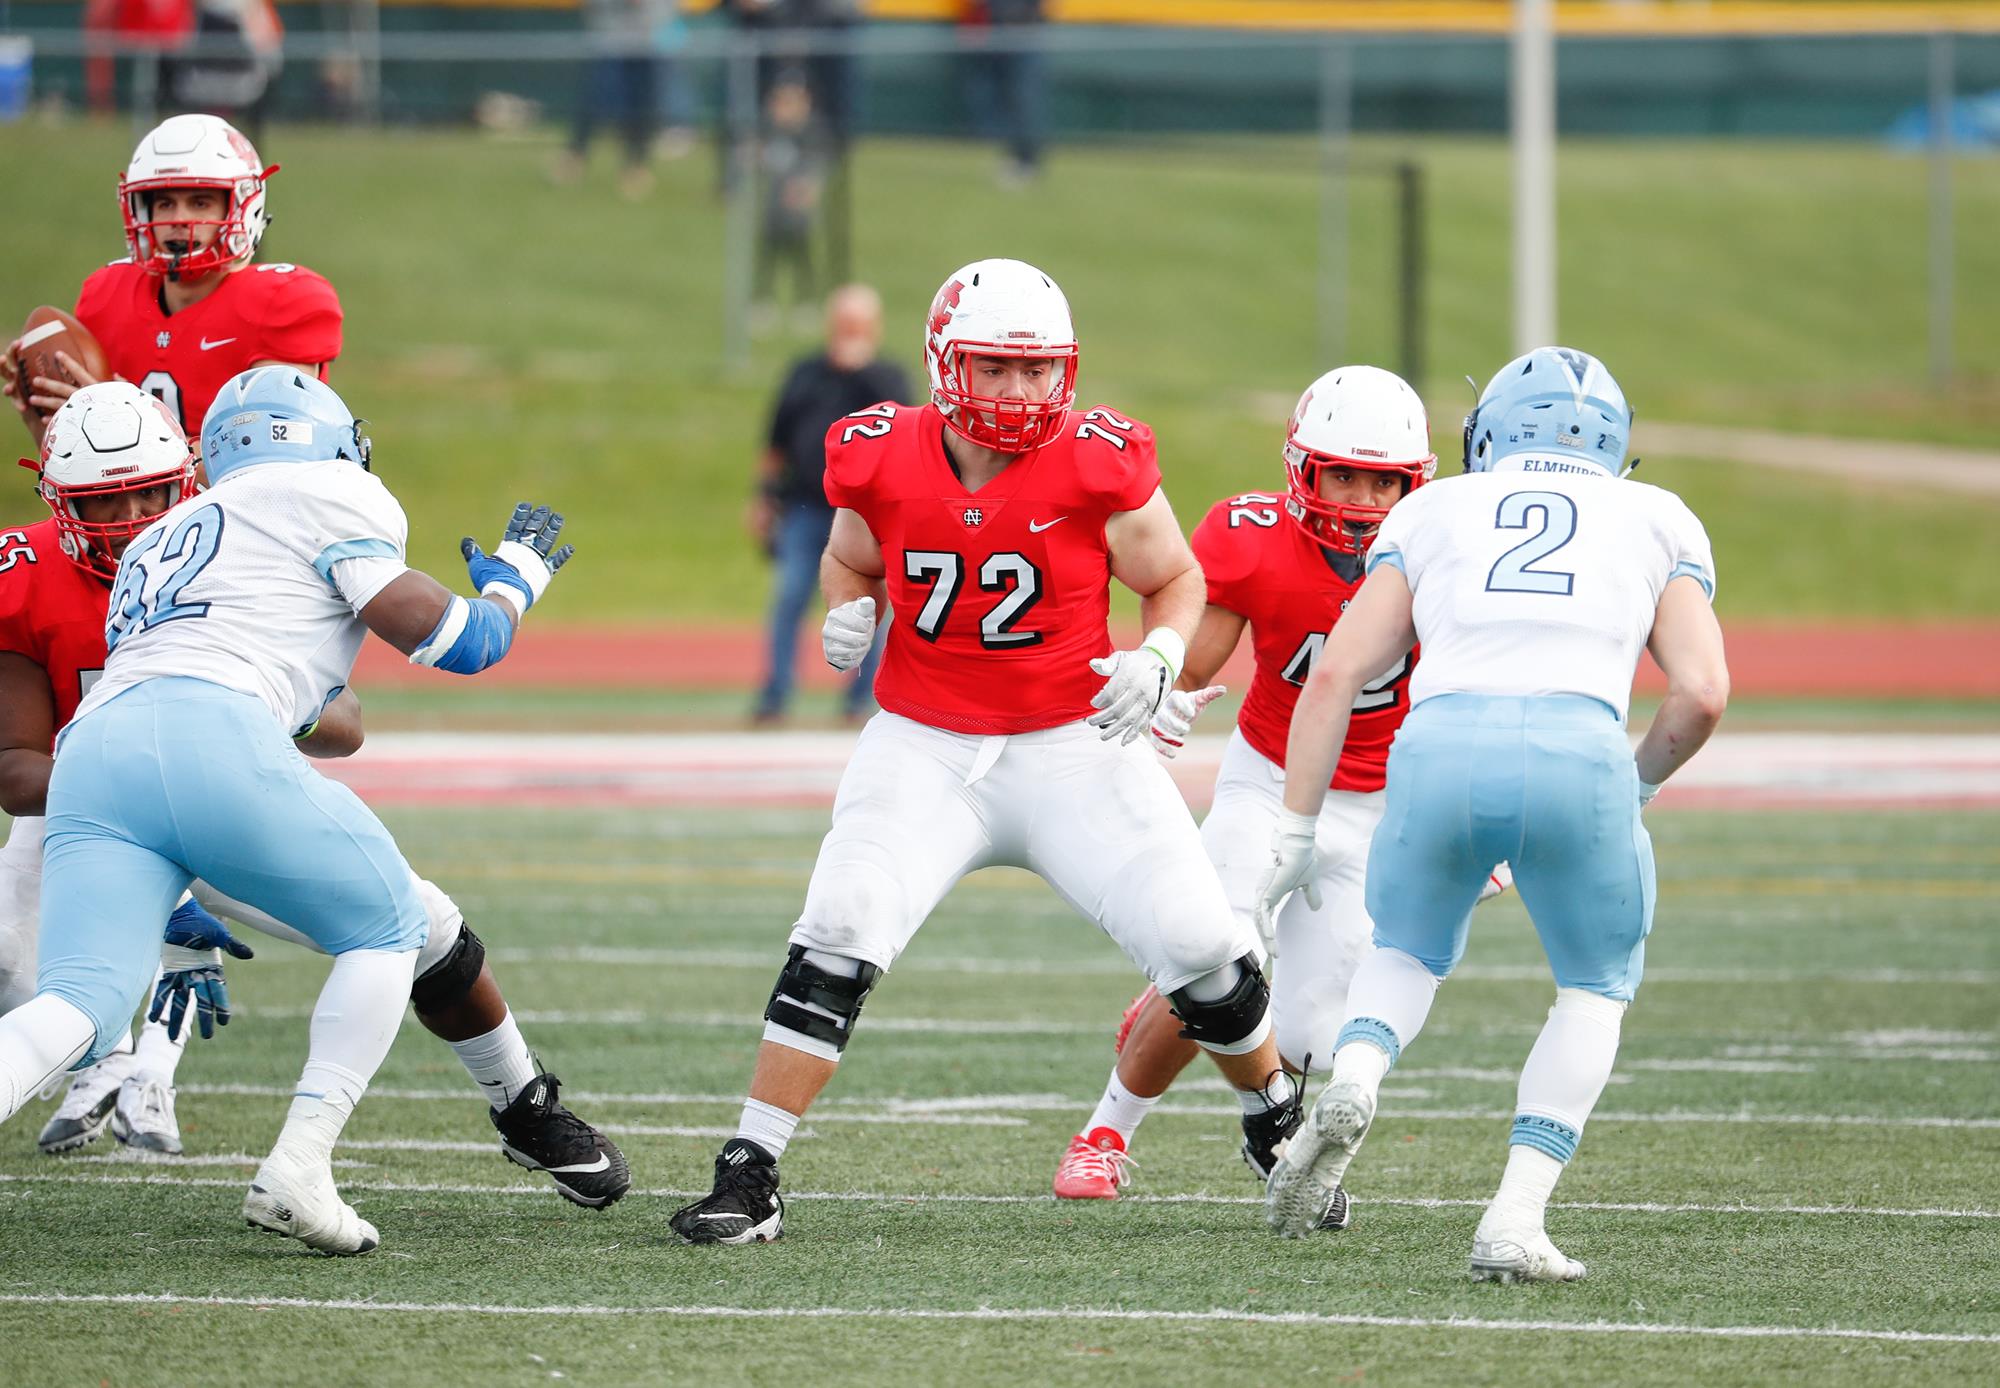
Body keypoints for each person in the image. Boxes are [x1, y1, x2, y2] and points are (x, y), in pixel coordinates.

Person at [1, 121, 624, 1201]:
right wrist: (517, 576)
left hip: (118, 769)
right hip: (175, 773)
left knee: (74, 994)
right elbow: (456, 643)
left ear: (189, 473)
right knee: (392, 920)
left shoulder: (166, 550)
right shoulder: (287, 501)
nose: (129, 517)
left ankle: (521, 1104)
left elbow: (322, 720)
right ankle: (297, 1161)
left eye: (145, 492)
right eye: (103, 503)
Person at [671, 258, 1298, 1245]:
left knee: (1195, 936)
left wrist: (1162, 653)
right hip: (924, 741)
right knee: (840, 918)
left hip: (1073, 743)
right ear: (942, 363)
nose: (1018, 391)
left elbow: (1173, 577)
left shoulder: (1100, 457)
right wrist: (848, 606)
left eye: (1036, 369)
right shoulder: (875, 448)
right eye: (994, 368)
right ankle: (750, 1170)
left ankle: (1273, 1112)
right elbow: (849, 552)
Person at [1257, 347, 1728, 1282]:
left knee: (1404, 949)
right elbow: (1703, 692)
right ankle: (1514, 1216)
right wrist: (1629, 788)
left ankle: (1353, 1082)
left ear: (1490, 432)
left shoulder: (1432, 507)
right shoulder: (1657, 516)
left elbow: (1339, 675)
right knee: (1595, 986)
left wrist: (1297, 831)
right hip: (1580, 749)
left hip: (1438, 747)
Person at [1053, 366, 1508, 1220]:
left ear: (1418, 483)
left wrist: (1482, 824)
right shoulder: (1254, 534)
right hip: (1269, 782)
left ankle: (1210, 1045)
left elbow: (1478, 696)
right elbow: (1194, 657)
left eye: (1384, 479)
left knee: (1312, 1037)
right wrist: (1171, 691)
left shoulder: (1451, 552)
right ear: (1303, 468)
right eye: (1345, 473)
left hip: (1382, 807)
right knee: (1214, 960)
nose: (1364, 498)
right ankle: (1105, 1134)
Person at [2, 113, 340, 451]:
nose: (179, 220)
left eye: (200, 202)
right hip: (138, 504)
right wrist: (49, 428)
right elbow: (90, 483)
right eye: (164, 203)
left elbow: (266, 457)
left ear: (242, 206)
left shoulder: (284, 300)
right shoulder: (106, 295)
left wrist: (127, 432)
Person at [749, 283, 908, 723]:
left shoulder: (887, 377)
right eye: (842, 323)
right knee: (790, 595)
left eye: (856, 324)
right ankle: (775, 695)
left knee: (865, 604)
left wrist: (862, 370)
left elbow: (911, 437)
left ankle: (860, 699)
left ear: (873, 329)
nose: (847, 333)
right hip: (805, 504)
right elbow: (776, 439)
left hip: (862, 512)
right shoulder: (804, 373)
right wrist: (763, 497)